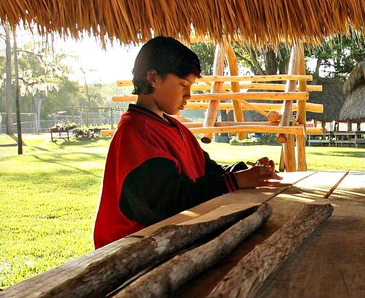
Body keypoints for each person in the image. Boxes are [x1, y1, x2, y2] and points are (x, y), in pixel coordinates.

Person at [94, 36, 281, 249]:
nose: (189, 95)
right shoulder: (137, 132)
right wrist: (234, 181)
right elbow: (168, 202)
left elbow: (208, 172)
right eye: (183, 85)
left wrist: (245, 172)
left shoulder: (175, 128)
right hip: (133, 249)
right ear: (153, 78)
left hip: (167, 240)